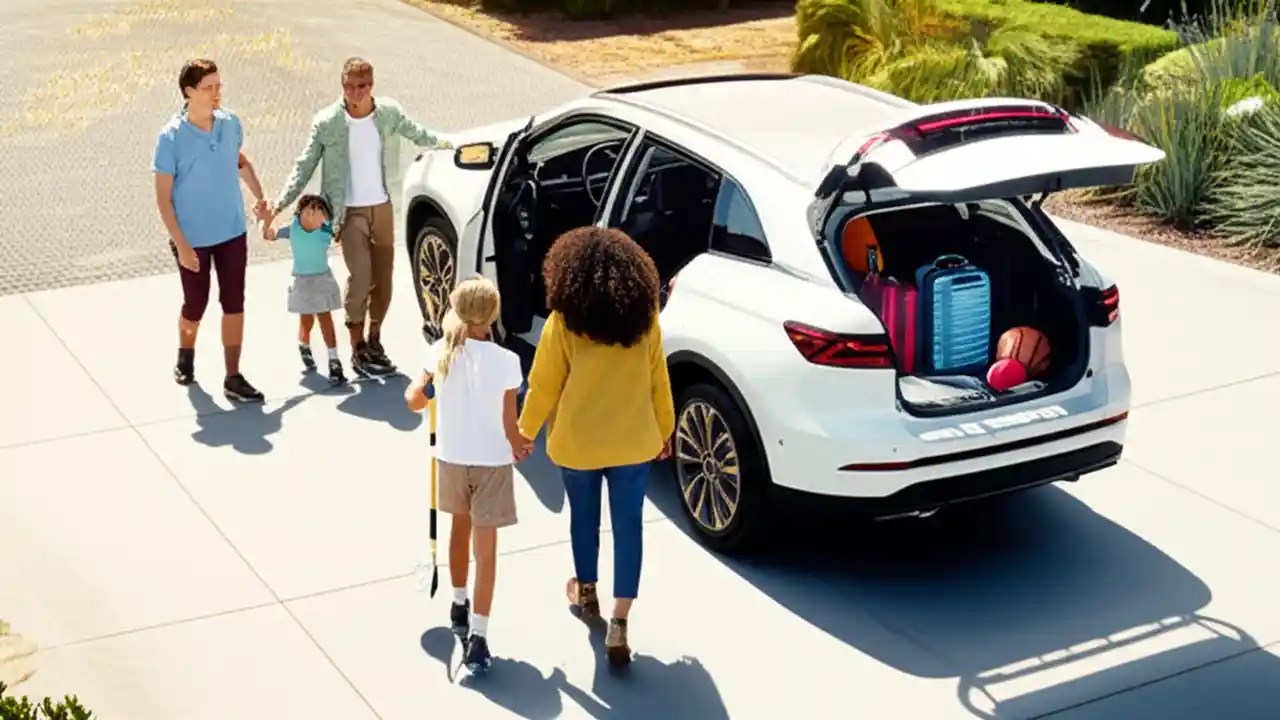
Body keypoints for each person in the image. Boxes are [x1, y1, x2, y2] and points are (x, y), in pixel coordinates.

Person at [516, 226, 675, 667]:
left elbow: (543, 385)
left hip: (577, 445)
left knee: (582, 520)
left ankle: (587, 593)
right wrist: (666, 429)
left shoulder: (563, 322)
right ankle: (621, 621)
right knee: (630, 529)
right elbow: (658, 378)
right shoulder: (646, 320)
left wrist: (524, 433)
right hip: (633, 442)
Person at [269, 56, 452, 378]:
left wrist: (449, 144)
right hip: (348, 213)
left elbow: (417, 133)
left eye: (363, 86)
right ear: (342, 86)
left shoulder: (388, 114)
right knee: (361, 278)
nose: (356, 92)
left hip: (382, 207)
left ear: (372, 85)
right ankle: (355, 345)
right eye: (350, 86)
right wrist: (280, 203)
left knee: (384, 281)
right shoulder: (328, 122)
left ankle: (374, 340)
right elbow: (305, 164)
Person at [405, 276, 529, 674]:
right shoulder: (508, 362)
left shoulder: (439, 351)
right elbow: (510, 427)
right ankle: (479, 636)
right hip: (491, 463)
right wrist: (522, 445)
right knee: (486, 552)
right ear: (492, 316)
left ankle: (458, 602)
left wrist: (427, 391)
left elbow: (413, 401)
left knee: (459, 531)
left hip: (451, 458)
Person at [153, 58, 268, 403]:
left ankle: (233, 376)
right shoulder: (170, 138)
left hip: (232, 231)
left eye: (219, 87)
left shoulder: (230, 123)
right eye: (208, 88)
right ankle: (185, 354)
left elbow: (240, 161)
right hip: (192, 239)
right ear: (188, 92)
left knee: (234, 301)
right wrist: (182, 244)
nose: (216, 94)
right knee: (195, 303)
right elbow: (163, 200)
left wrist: (260, 197)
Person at [262, 194, 347, 386]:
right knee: (306, 319)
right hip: (302, 282)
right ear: (301, 213)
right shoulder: (292, 230)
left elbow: (341, 235)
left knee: (325, 318)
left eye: (318, 211)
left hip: (322, 279)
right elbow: (269, 235)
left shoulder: (326, 230)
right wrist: (267, 217)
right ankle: (304, 346)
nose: (313, 214)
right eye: (309, 210)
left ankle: (334, 361)